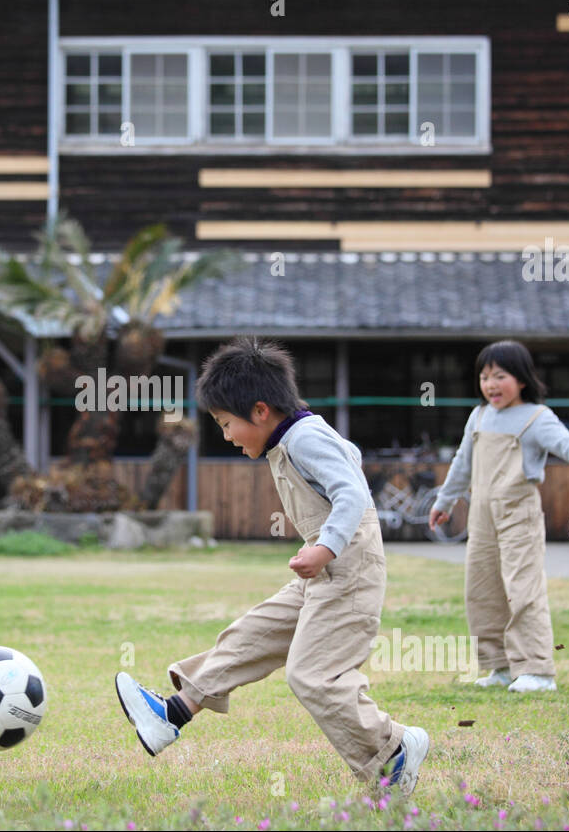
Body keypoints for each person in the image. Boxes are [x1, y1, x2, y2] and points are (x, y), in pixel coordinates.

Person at [115, 335, 429, 795]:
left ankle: (393, 751)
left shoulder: (303, 437)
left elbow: (353, 492)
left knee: (312, 675)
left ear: (260, 411)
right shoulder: (297, 435)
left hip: (349, 572)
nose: (225, 436)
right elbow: (352, 460)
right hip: (326, 570)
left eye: (226, 424)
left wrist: (325, 547)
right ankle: (173, 713)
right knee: (254, 633)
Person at [429, 340, 569, 693]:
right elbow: (462, 464)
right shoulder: (479, 416)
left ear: (523, 379)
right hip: (481, 514)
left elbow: (567, 443)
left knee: (522, 587)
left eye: (500, 376)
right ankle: (498, 666)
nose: (491, 385)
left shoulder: (536, 417)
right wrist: (445, 501)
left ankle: (537, 671)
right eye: (484, 377)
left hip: (518, 512)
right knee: (482, 588)